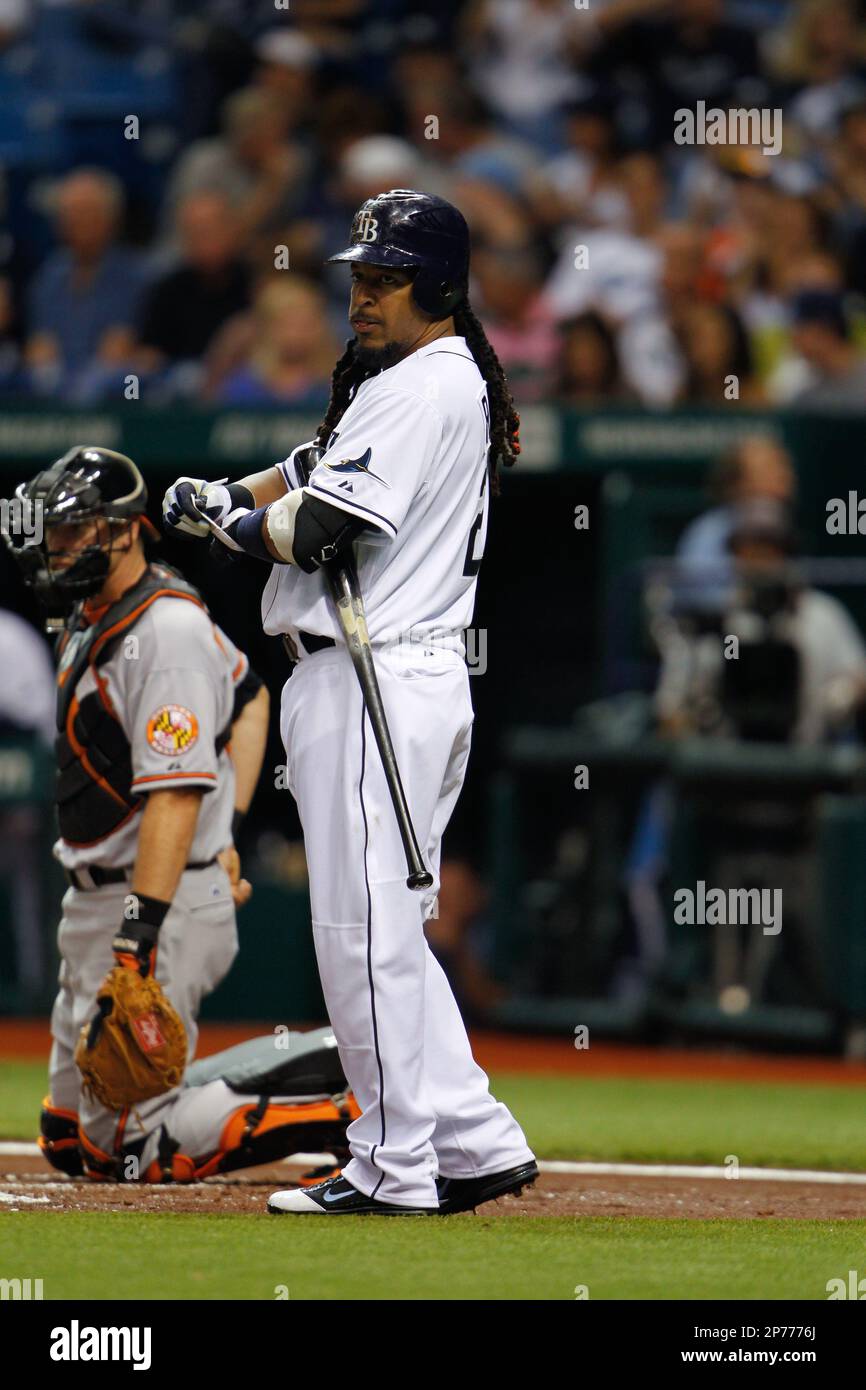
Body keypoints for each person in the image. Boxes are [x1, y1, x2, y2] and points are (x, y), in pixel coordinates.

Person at [163, 189, 538, 1216]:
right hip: (392, 674)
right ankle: (470, 1135)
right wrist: (225, 493)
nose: (361, 297)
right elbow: (299, 471)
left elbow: (316, 530)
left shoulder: (422, 386)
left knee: (361, 932)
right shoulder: (418, 377)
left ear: (440, 286)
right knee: (390, 931)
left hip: (374, 672)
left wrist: (220, 519)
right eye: (359, 278)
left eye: (383, 280)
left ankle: (391, 1166)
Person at [1, 446, 358, 1183]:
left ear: (125, 531)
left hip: (151, 902)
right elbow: (251, 696)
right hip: (102, 896)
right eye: (54, 533)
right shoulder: (103, 612)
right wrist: (226, 831)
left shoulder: (163, 632)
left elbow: (173, 793)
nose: (57, 548)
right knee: (70, 1138)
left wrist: (138, 937)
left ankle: (345, 1109)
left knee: (127, 1152)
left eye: (75, 531)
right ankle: (321, 1057)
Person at [25, 169, 148, 400]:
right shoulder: (48, 277)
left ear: (111, 218)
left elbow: (118, 349)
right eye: (70, 214)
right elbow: (40, 347)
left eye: (88, 212)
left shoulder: (135, 277)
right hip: (53, 395)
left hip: (114, 399)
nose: (78, 222)